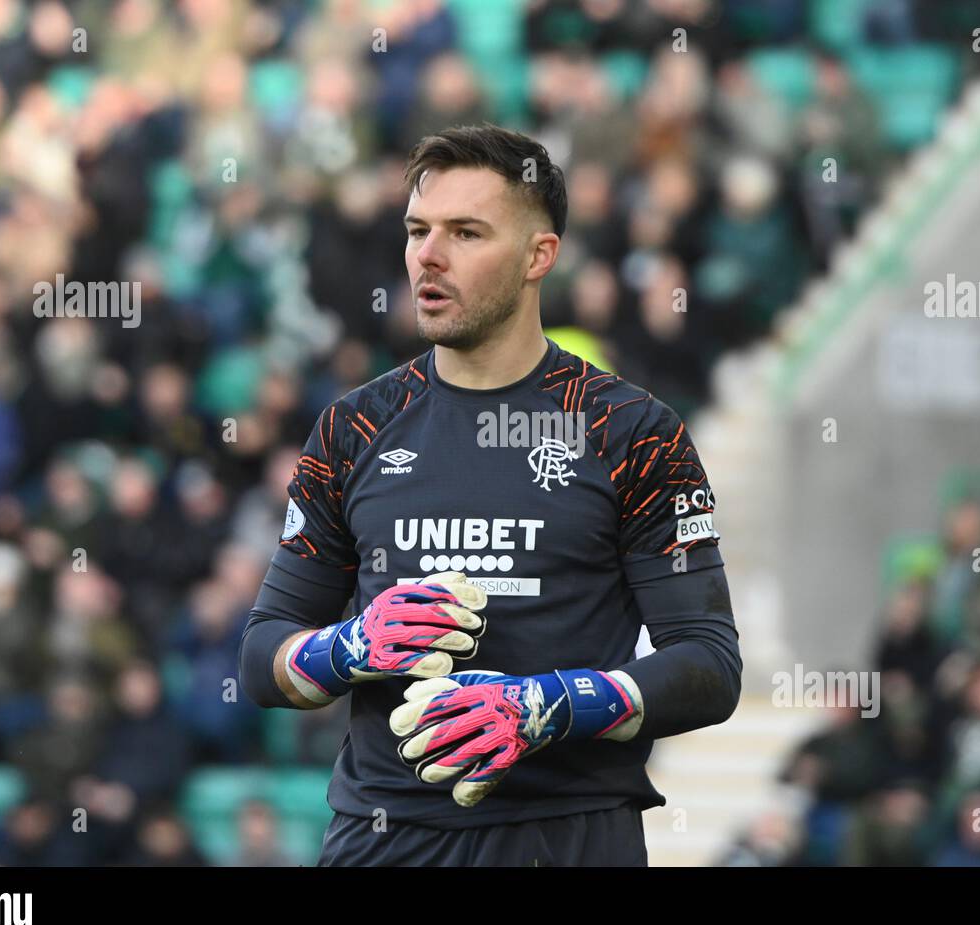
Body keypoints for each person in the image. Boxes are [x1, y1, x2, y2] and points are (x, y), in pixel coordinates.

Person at [239, 123, 742, 866]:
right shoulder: (354, 428)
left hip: (569, 837)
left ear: (540, 256)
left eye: (467, 233)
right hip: (383, 839)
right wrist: (345, 649)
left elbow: (708, 666)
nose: (428, 256)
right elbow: (260, 657)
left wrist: (550, 706)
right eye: (418, 230)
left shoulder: (633, 431)